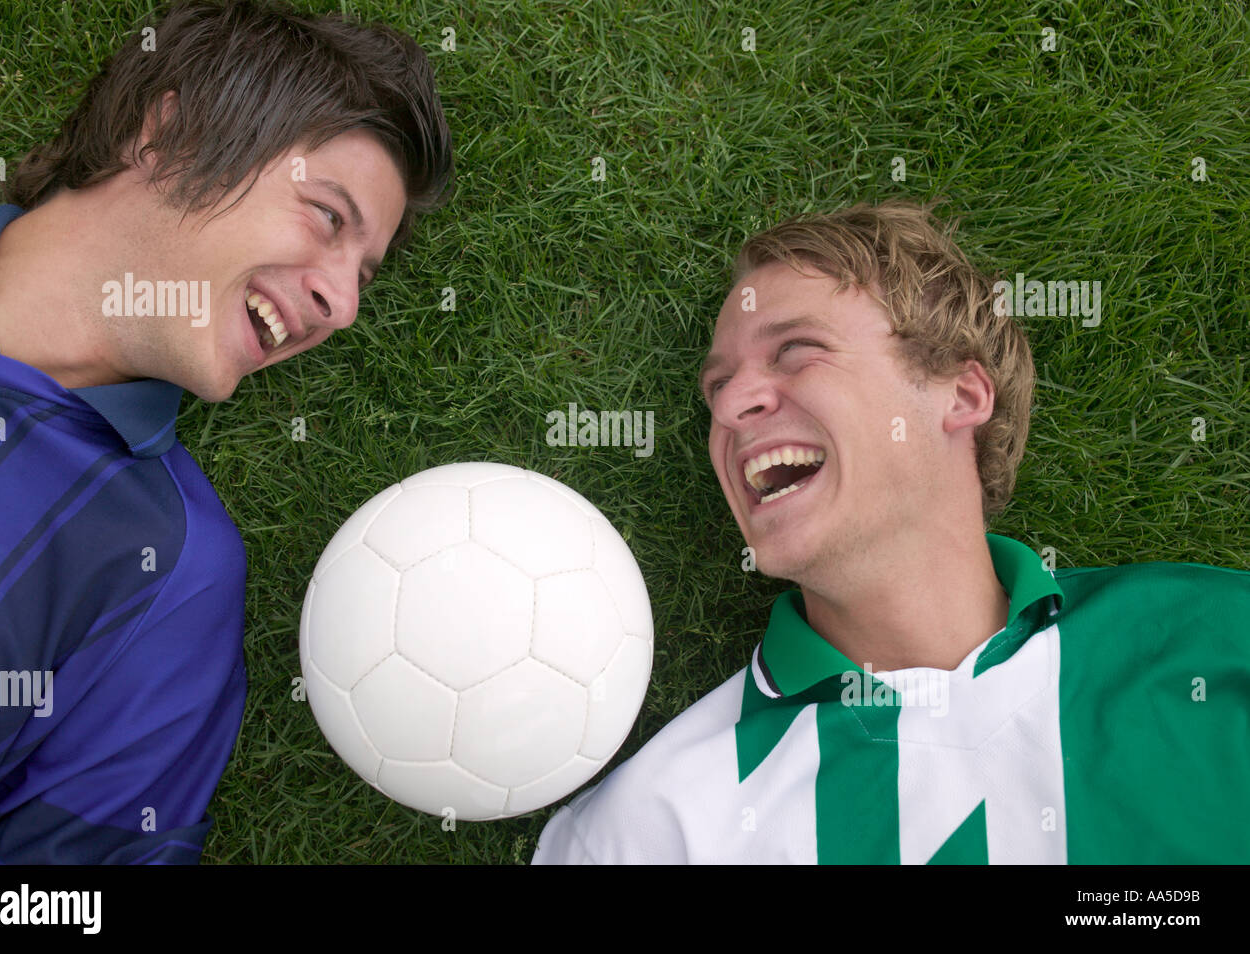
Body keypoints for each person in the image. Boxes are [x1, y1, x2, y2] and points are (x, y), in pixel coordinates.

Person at [533, 199, 1250, 864]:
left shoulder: (1212, 643)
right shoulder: (650, 830)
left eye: (796, 351)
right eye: (717, 388)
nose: (730, 408)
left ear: (961, 394)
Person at [0, 0, 451, 863]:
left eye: (362, 273)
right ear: (168, 133)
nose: (345, 304)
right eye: (328, 218)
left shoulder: (171, 576)